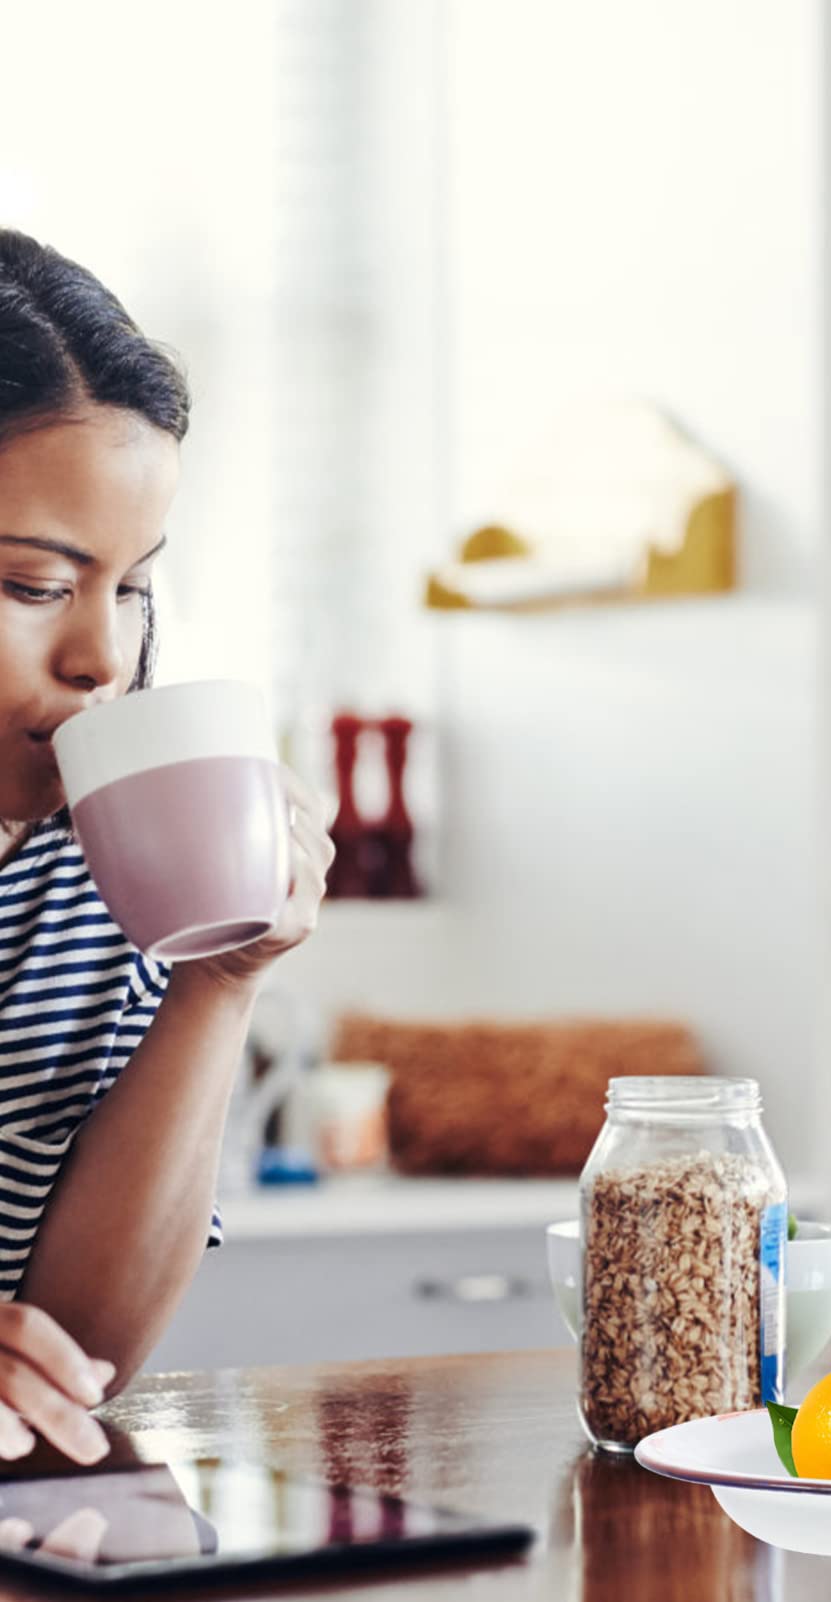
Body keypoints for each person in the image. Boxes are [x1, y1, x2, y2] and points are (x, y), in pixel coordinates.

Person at [0, 230, 333, 1465]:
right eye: (37, 586)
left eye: (133, 588)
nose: (103, 659)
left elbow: (75, 1359)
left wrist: (218, 979)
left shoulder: (93, 864)